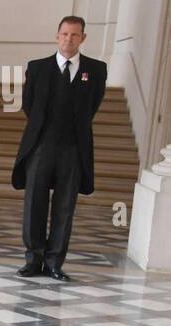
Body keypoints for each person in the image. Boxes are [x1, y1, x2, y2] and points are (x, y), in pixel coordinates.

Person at [11, 15, 107, 281]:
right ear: (57, 36)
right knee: (34, 203)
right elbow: (29, 105)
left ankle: (54, 262)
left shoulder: (96, 70)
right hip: (41, 145)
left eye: (75, 35)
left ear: (83, 38)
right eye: (65, 34)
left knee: (65, 205)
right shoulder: (38, 68)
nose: (69, 39)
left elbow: (93, 106)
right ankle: (33, 259)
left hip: (74, 148)